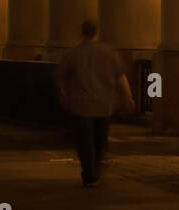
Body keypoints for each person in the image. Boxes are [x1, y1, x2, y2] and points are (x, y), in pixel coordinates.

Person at [56, 19, 135, 187]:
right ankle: (95, 171)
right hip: (104, 105)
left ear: (82, 31)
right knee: (99, 140)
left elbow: (62, 77)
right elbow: (120, 77)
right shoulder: (109, 53)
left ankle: (90, 174)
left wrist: (63, 94)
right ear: (96, 32)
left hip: (81, 105)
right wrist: (128, 97)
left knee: (85, 141)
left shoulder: (73, 54)